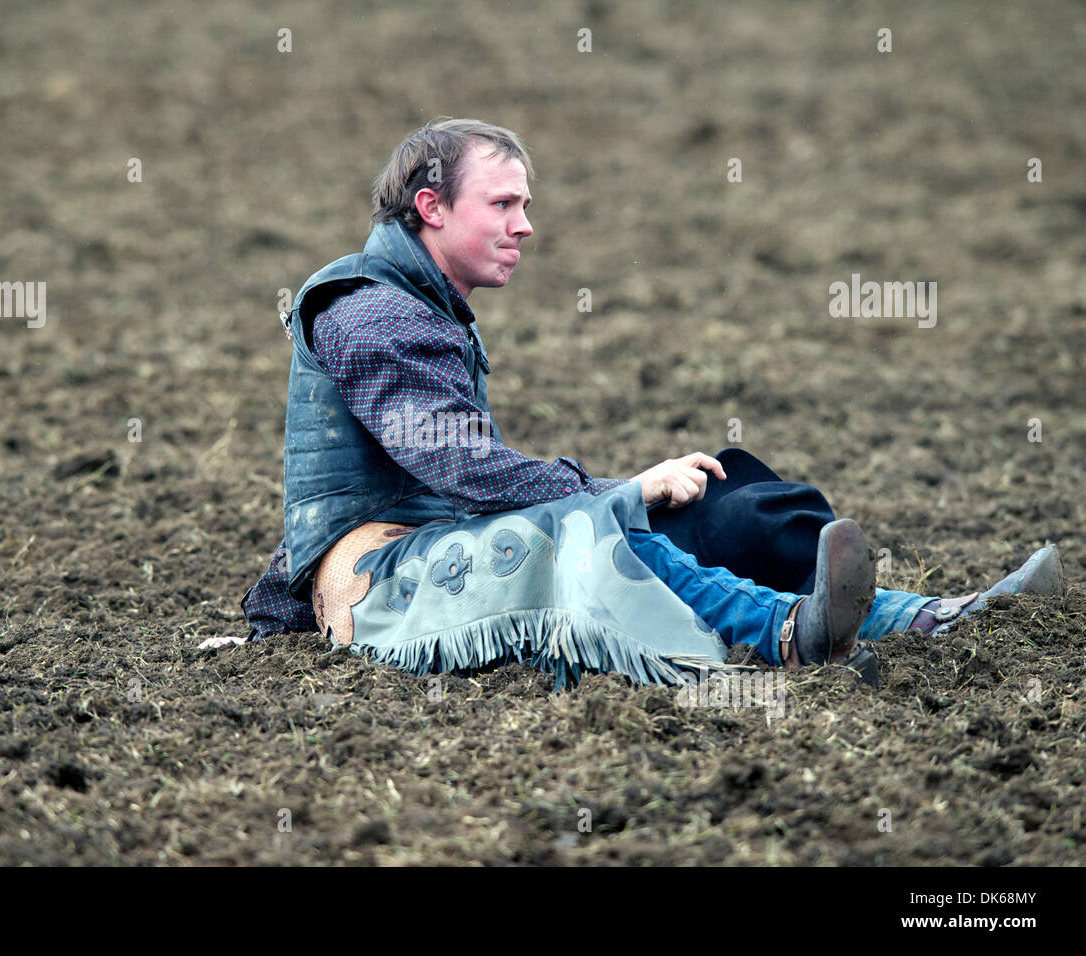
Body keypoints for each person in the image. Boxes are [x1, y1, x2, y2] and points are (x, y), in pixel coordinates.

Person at [240, 117, 1063, 690]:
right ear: (431, 208)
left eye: (524, 204)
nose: (526, 226)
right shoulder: (371, 310)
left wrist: (637, 493)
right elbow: (466, 470)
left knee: (721, 497)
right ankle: (784, 633)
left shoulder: (421, 302)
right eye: (503, 205)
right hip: (379, 582)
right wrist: (617, 491)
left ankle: (929, 618)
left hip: (442, 542)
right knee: (597, 527)